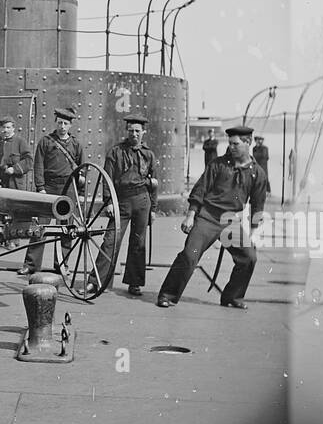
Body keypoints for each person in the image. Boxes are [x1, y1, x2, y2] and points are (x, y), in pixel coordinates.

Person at [157, 125, 270, 310]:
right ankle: (167, 295)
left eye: (236, 144)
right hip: (207, 216)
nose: (231, 147)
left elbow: (258, 206)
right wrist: (190, 216)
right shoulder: (217, 164)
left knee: (249, 257)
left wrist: (255, 233)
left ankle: (232, 297)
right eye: (230, 144)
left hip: (230, 220)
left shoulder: (258, 173)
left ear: (248, 143)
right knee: (189, 255)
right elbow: (200, 190)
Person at [93, 114, 157, 296]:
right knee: (110, 241)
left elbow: (154, 184)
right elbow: (107, 179)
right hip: (121, 202)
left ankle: (134, 283)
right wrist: (109, 203)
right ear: (127, 131)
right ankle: (98, 281)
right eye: (131, 131)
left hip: (143, 201)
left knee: (138, 243)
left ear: (143, 132)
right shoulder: (116, 152)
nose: (134, 134)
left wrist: (153, 209)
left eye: (137, 131)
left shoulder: (149, 155)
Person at [24, 106, 84, 274]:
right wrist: (40, 188)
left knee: (66, 228)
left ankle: (61, 264)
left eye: (65, 123)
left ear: (70, 125)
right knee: (40, 226)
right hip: (49, 187)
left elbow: (82, 170)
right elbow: (39, 165)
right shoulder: (46, 141)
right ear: (56, 123)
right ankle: (31, 265)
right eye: (60, 123)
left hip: (68, 188)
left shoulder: (76, 145)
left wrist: (79, 193)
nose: (62, 126)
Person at [0, 117, 33, 192]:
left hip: (16, 184)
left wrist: (14, 169)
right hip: (2, 184)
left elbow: (28, 161)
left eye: (8, 127)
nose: (6, 130)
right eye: (4, 127)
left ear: (13, 128)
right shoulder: (0, 145)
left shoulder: (20, 142)